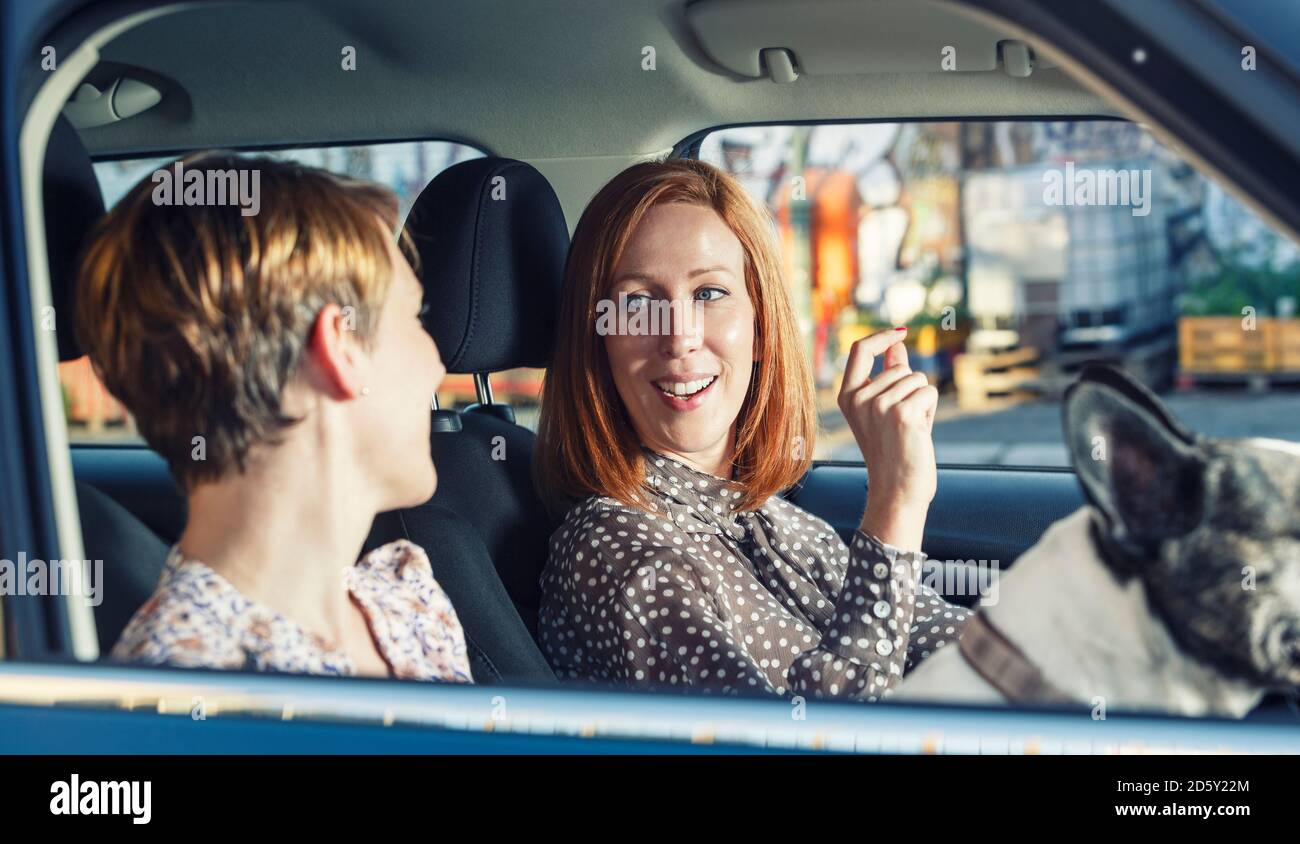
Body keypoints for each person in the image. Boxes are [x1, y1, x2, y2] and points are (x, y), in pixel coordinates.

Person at [535, 159, 971, 700]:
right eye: (639, 303)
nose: (680, 338)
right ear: (597, 343)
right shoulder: (617, 554)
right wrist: (896, 502)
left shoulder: (766, 519)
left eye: (709, 294)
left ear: (761, 328)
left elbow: (959, 644)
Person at [76, 152, 470, 682]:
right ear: (342, 349)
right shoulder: (196, 682)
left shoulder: (406, 599)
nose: (436, 363)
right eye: (414, 317)